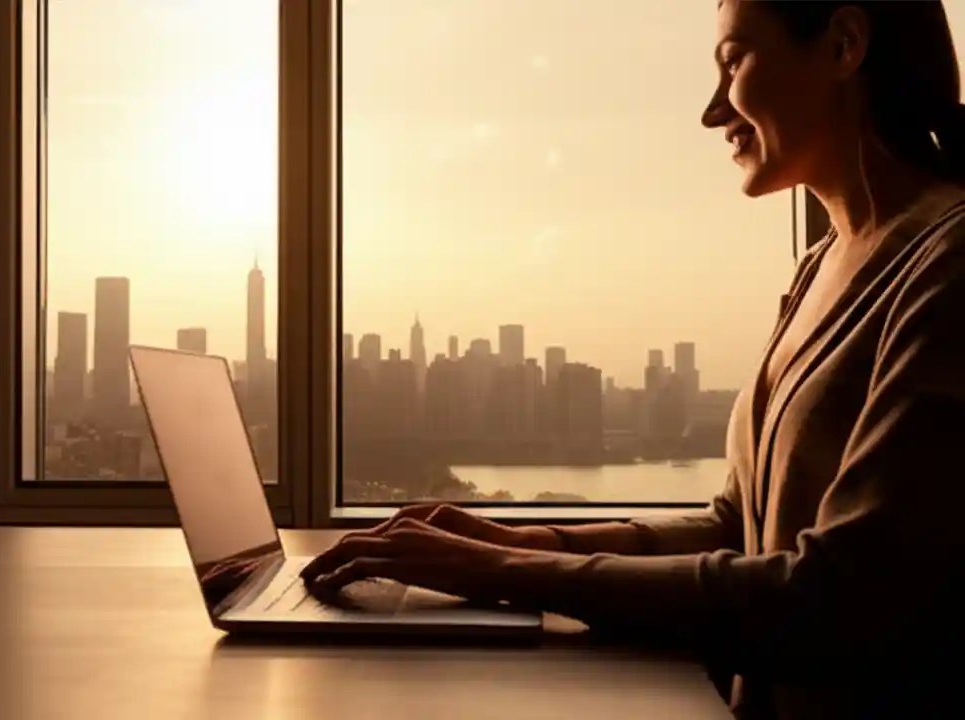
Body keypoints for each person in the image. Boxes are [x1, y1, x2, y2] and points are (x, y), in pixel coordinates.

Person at [300, 2, 965, 717]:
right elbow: (735, 526)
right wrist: (522, 539)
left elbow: (840, 602)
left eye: (733, 61)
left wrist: (508, 570)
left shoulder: (950, 268)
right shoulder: (817, 269)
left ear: (842, 44)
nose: (714, 112)